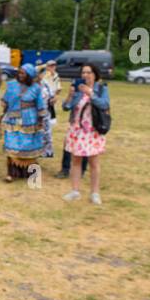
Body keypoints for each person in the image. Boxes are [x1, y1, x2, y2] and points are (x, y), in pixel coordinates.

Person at [62, 63, 110, 205]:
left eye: (88, 72)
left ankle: (94, 193)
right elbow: (66, 107)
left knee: (93, 163)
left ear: (95, 74)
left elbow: (104, 104)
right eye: (83, 72)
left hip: (92, 131)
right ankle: (75, 191)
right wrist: (70, 96)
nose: (85, 75)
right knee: (75, 161)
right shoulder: (78, 89)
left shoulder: (101, 89)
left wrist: (91, 94)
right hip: (77, 130)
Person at [0, 63, 47, 183]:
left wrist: (41, 120)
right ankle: (11, 174)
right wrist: (3, 114)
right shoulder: (11, 85)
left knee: (29, 146)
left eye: (23, 73)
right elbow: (5, 101)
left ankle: (32, 175)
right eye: (19, 72)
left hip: (30, 120)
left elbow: (40, 104)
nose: (20, 75)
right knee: (11, 145)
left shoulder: (36, 88)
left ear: (29, 75)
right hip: (13, 119)